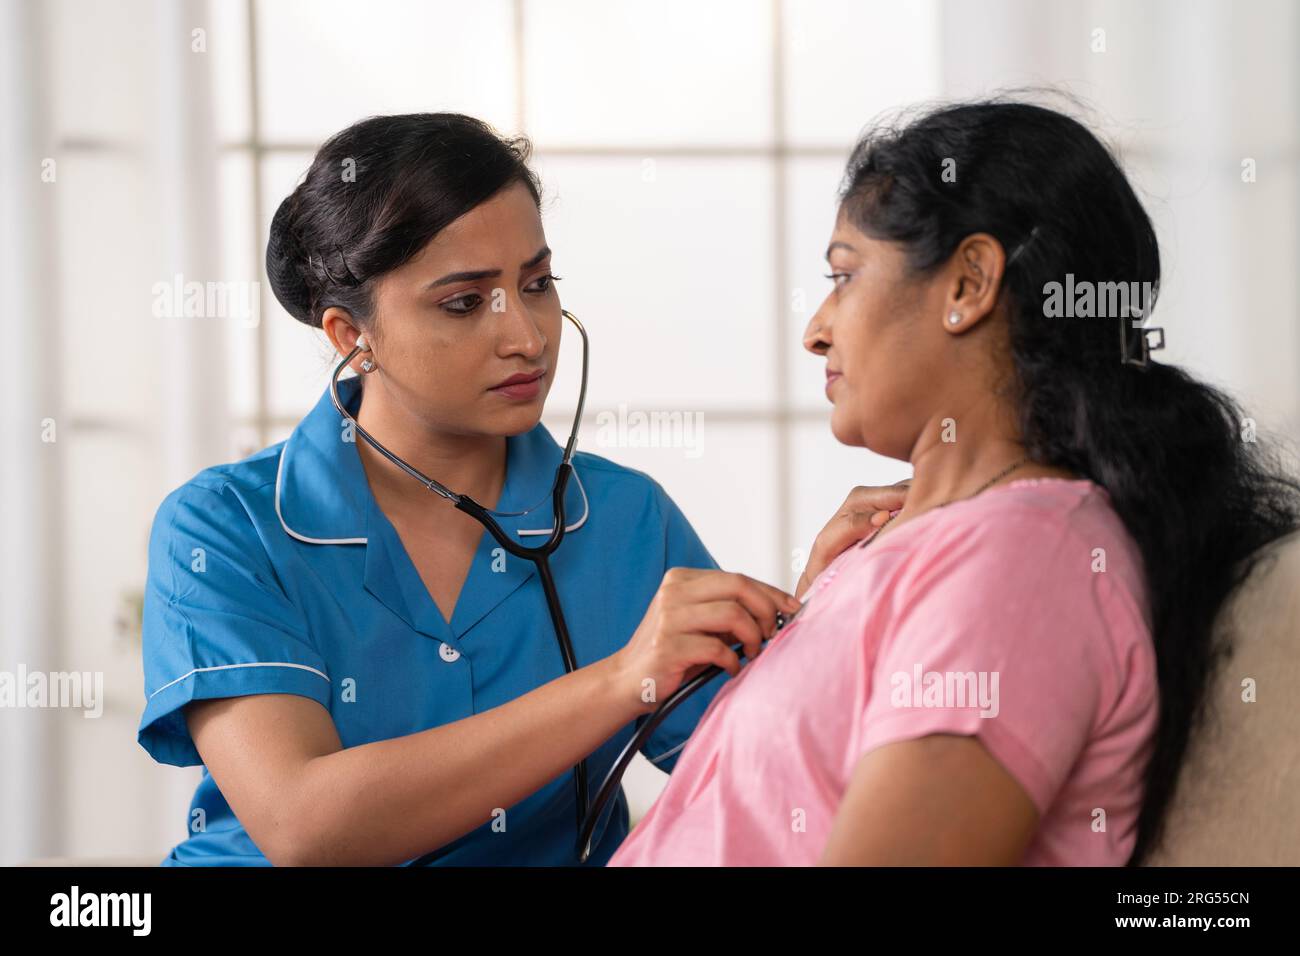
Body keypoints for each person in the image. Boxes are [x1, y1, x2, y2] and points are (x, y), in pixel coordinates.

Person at [135, 112, 906, 866]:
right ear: (349, 336)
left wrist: (819, 613)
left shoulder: (627, 519)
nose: (528, 337)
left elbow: (770, 772)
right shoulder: (223, 529)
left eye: (537, 284)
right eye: (465, 302)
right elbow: (306, 826)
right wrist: (619, 680)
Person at [608, 99, 1300, 867]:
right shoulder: (904, 551)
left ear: (969, 283)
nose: (816, 330)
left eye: (844, 275)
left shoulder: (1026, 560)